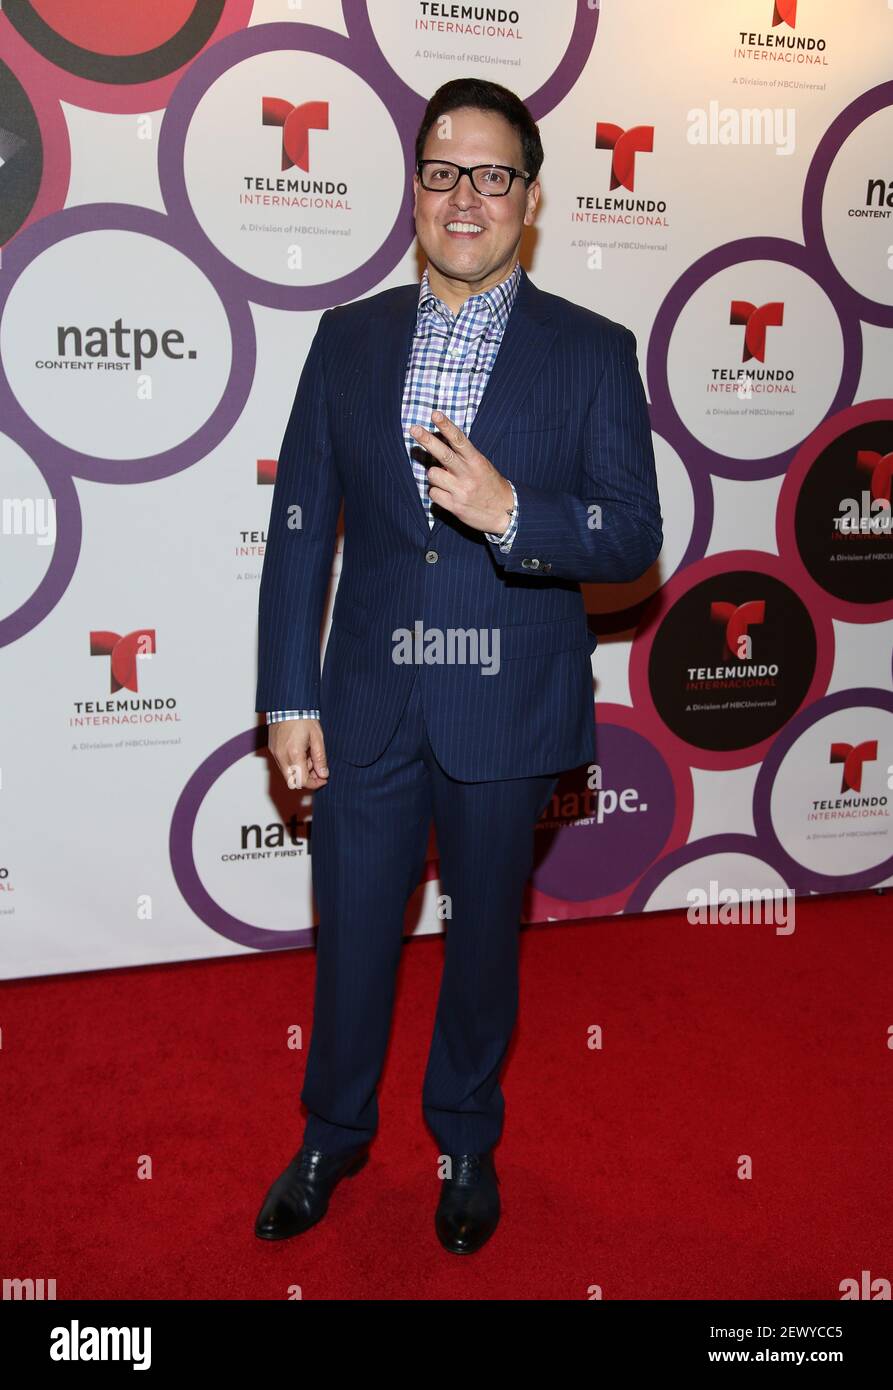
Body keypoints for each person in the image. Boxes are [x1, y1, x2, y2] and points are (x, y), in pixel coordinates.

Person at [253, 78, 662, 1255]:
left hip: (506, 708)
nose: (464, 197)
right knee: (351, 939)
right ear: (415, 189)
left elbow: (631, 540)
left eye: (492, 175)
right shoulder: (348, 337)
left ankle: (465, 1141)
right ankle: (332, 1133)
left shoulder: (590, 352)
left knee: (483, 940)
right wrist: (288, 693)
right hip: (366, 700)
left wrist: (511, 510)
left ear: (528, 200)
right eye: (442, 172)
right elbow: (300, 533)